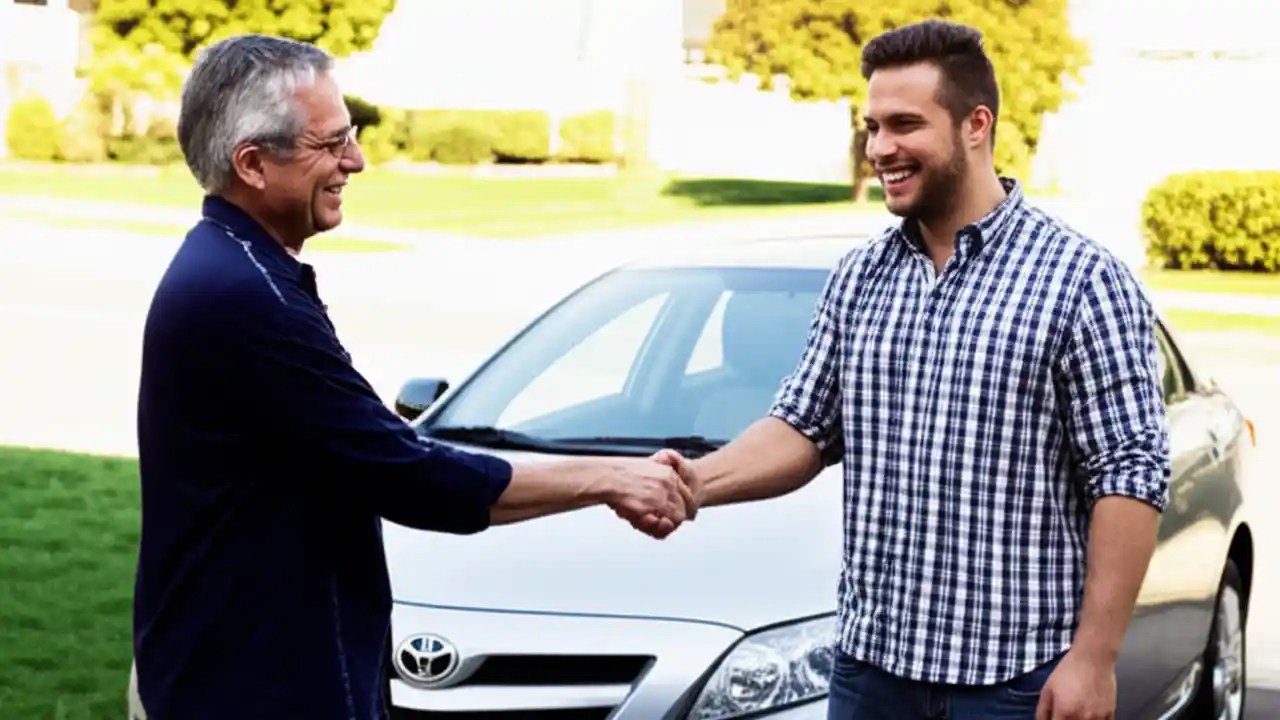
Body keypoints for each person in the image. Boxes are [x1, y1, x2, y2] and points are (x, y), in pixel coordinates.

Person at [132, 34, 696, 720]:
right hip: (260, 682)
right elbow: (410, 477)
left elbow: (354, 452)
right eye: (331, 143)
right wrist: (610, 477)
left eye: (353, 134)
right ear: (252, 163)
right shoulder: (247, 298)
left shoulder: (229, 267)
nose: (356, 160)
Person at [655, 19, 1170, 720]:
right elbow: (804, 427)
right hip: (871, 675)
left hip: (1014, 683)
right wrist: (696, 484)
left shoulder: (1081, 280)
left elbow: (1128, 475)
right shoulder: (859, 277)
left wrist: (1095, 657)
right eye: (872, 127)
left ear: (975, 125)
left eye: (904, 125)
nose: (880, 149)